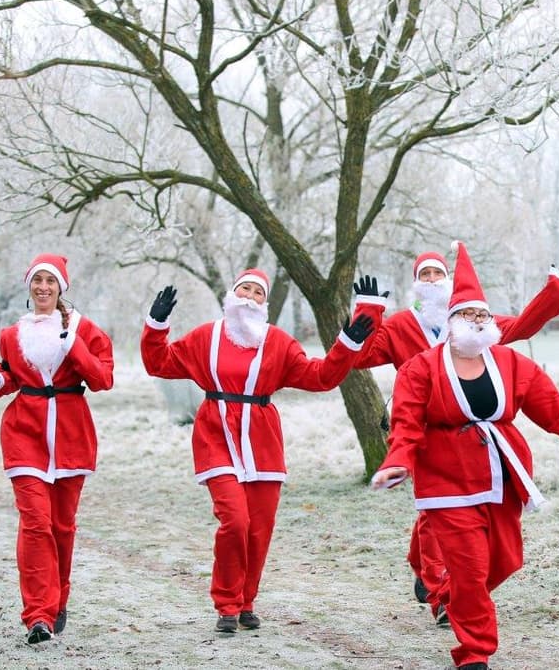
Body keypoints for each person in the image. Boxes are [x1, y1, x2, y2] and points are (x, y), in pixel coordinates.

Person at [371, 242, 559, 670]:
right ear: (452, 322)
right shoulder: (421, 367)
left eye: (482, 315)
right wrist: (397, 461)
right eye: (466, 315)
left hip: (502, 476)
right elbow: (408, 422)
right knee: (469, 571)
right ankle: (474, 654)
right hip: (446, 481)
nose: (476, 321)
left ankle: (447, 593)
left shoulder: (508, 361)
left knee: (506, 559)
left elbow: (552, 407)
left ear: (490, 321)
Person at [141, 268, 383, 633]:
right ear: (231, 295)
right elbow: (158, 363)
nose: (250, 296)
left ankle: (245, 601)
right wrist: (156, 325)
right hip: (216, 436)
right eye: (244, 289)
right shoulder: (206, 337)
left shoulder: (279, 343)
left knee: (259, 530)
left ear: (264, 303)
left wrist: (348, 342)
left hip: (262, 443)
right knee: (235, 521)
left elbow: (321, 377)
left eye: (257, 292)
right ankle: (225, 603)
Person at [355, 250, 559, 609]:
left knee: (438, 516)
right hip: (422, 430)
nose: (431, 280)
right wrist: (367, 313)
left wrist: (555, 292)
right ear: (416, 283)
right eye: (424, 275)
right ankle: (439, 588)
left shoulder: (476, 324)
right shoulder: (400, 326)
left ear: (448, 281)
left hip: (475, 443)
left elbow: (522, 324)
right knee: (436, 514)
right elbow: (361, 356)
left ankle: (434, 575)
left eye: (437, 274)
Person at [0, 254, 114, 645]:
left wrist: (73, 345)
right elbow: (10, 371)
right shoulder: (12, 334)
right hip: (26, 433)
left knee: (61, 527)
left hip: (72, 435)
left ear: (61, 289)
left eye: (50, 281)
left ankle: (58, 601)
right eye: (36, 280)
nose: (42, 287)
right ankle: (37, 614)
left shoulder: (86, 330)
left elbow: (103, 378)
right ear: (29, 287)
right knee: (36, 522)